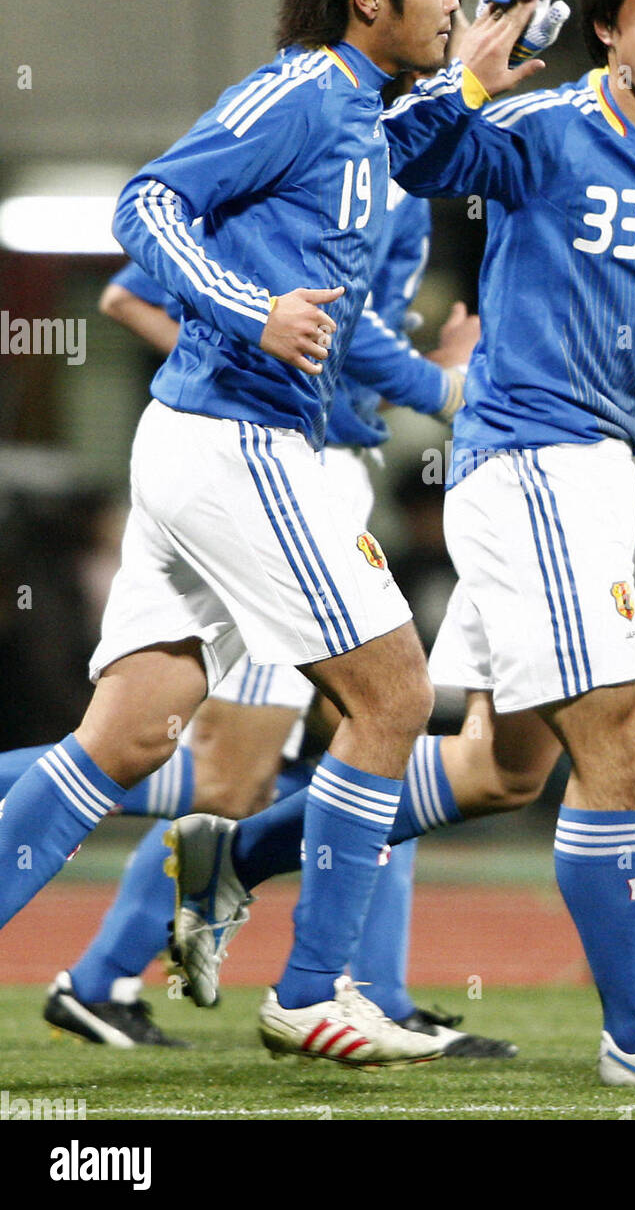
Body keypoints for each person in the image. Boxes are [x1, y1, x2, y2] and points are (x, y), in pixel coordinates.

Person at [168, 0, 635, 1091]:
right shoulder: (540, 129)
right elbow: (411, 152)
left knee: (505, 766)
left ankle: (234, 856)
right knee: (627, 740)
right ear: (606, 23)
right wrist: (478, 74)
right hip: (530, 456)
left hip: (595, 464)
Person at [0, 0, 544, 1068]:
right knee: (396, 698)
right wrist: (252, 311)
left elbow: (407, 144)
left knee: (134, 735)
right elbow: (144, 207)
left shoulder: (366, 111)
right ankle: (315, 992)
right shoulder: (300, 89)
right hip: (240, 442)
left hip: (217, 446)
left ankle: (171, 959)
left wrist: (475, 76)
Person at [41, 197, 514, 1057]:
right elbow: (126, 292)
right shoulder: (317, 152)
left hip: (314, 470)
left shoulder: (384, 170)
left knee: (360, 737)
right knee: (233, 772)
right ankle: (116, 971)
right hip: (273, 481)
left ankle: (370, 990)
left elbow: (343, 337)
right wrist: (433, 386)